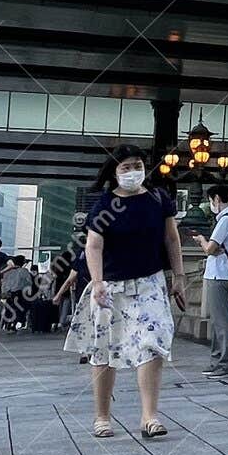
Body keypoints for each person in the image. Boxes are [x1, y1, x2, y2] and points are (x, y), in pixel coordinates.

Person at [64, 143, 185, 439]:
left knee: (153, 341)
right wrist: (98, 281)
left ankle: (149, 417)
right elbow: (93, 245)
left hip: (149, 282)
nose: (133, 172)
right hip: (111, 285)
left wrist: (179, 276)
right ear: (114, 172)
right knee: (104, 350)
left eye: (137, 166)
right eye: (125, 167)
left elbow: (172, 239)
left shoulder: (159, 199)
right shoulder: (105, 204)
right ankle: (102, 416)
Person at [194, 183, 228, 378]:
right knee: (218, 321)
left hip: (221, 275)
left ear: (216, 199)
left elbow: (210, 249)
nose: (211, 204)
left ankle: (227, 363)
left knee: (223, 322)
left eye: (211, 200)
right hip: (224, 274)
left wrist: (201, 241)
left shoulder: (226, 220)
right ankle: (218, 360)